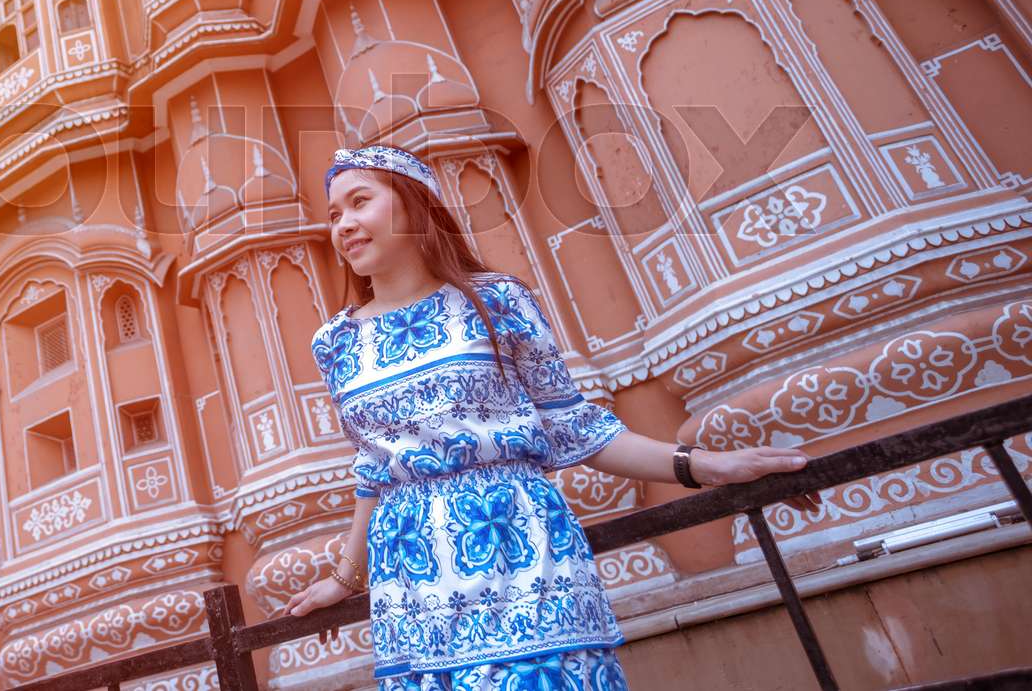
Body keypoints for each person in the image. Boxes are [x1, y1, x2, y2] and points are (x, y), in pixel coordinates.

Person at [286, 145, 817, 690]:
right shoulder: (336, 343)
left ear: (415, 207)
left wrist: (705, 467)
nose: (344, 225)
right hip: (410, 573)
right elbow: (373, 469)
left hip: (517, 543)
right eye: (334, 215)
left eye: (359, 202)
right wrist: (345, 579)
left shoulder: (497, 302)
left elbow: (574, 427)